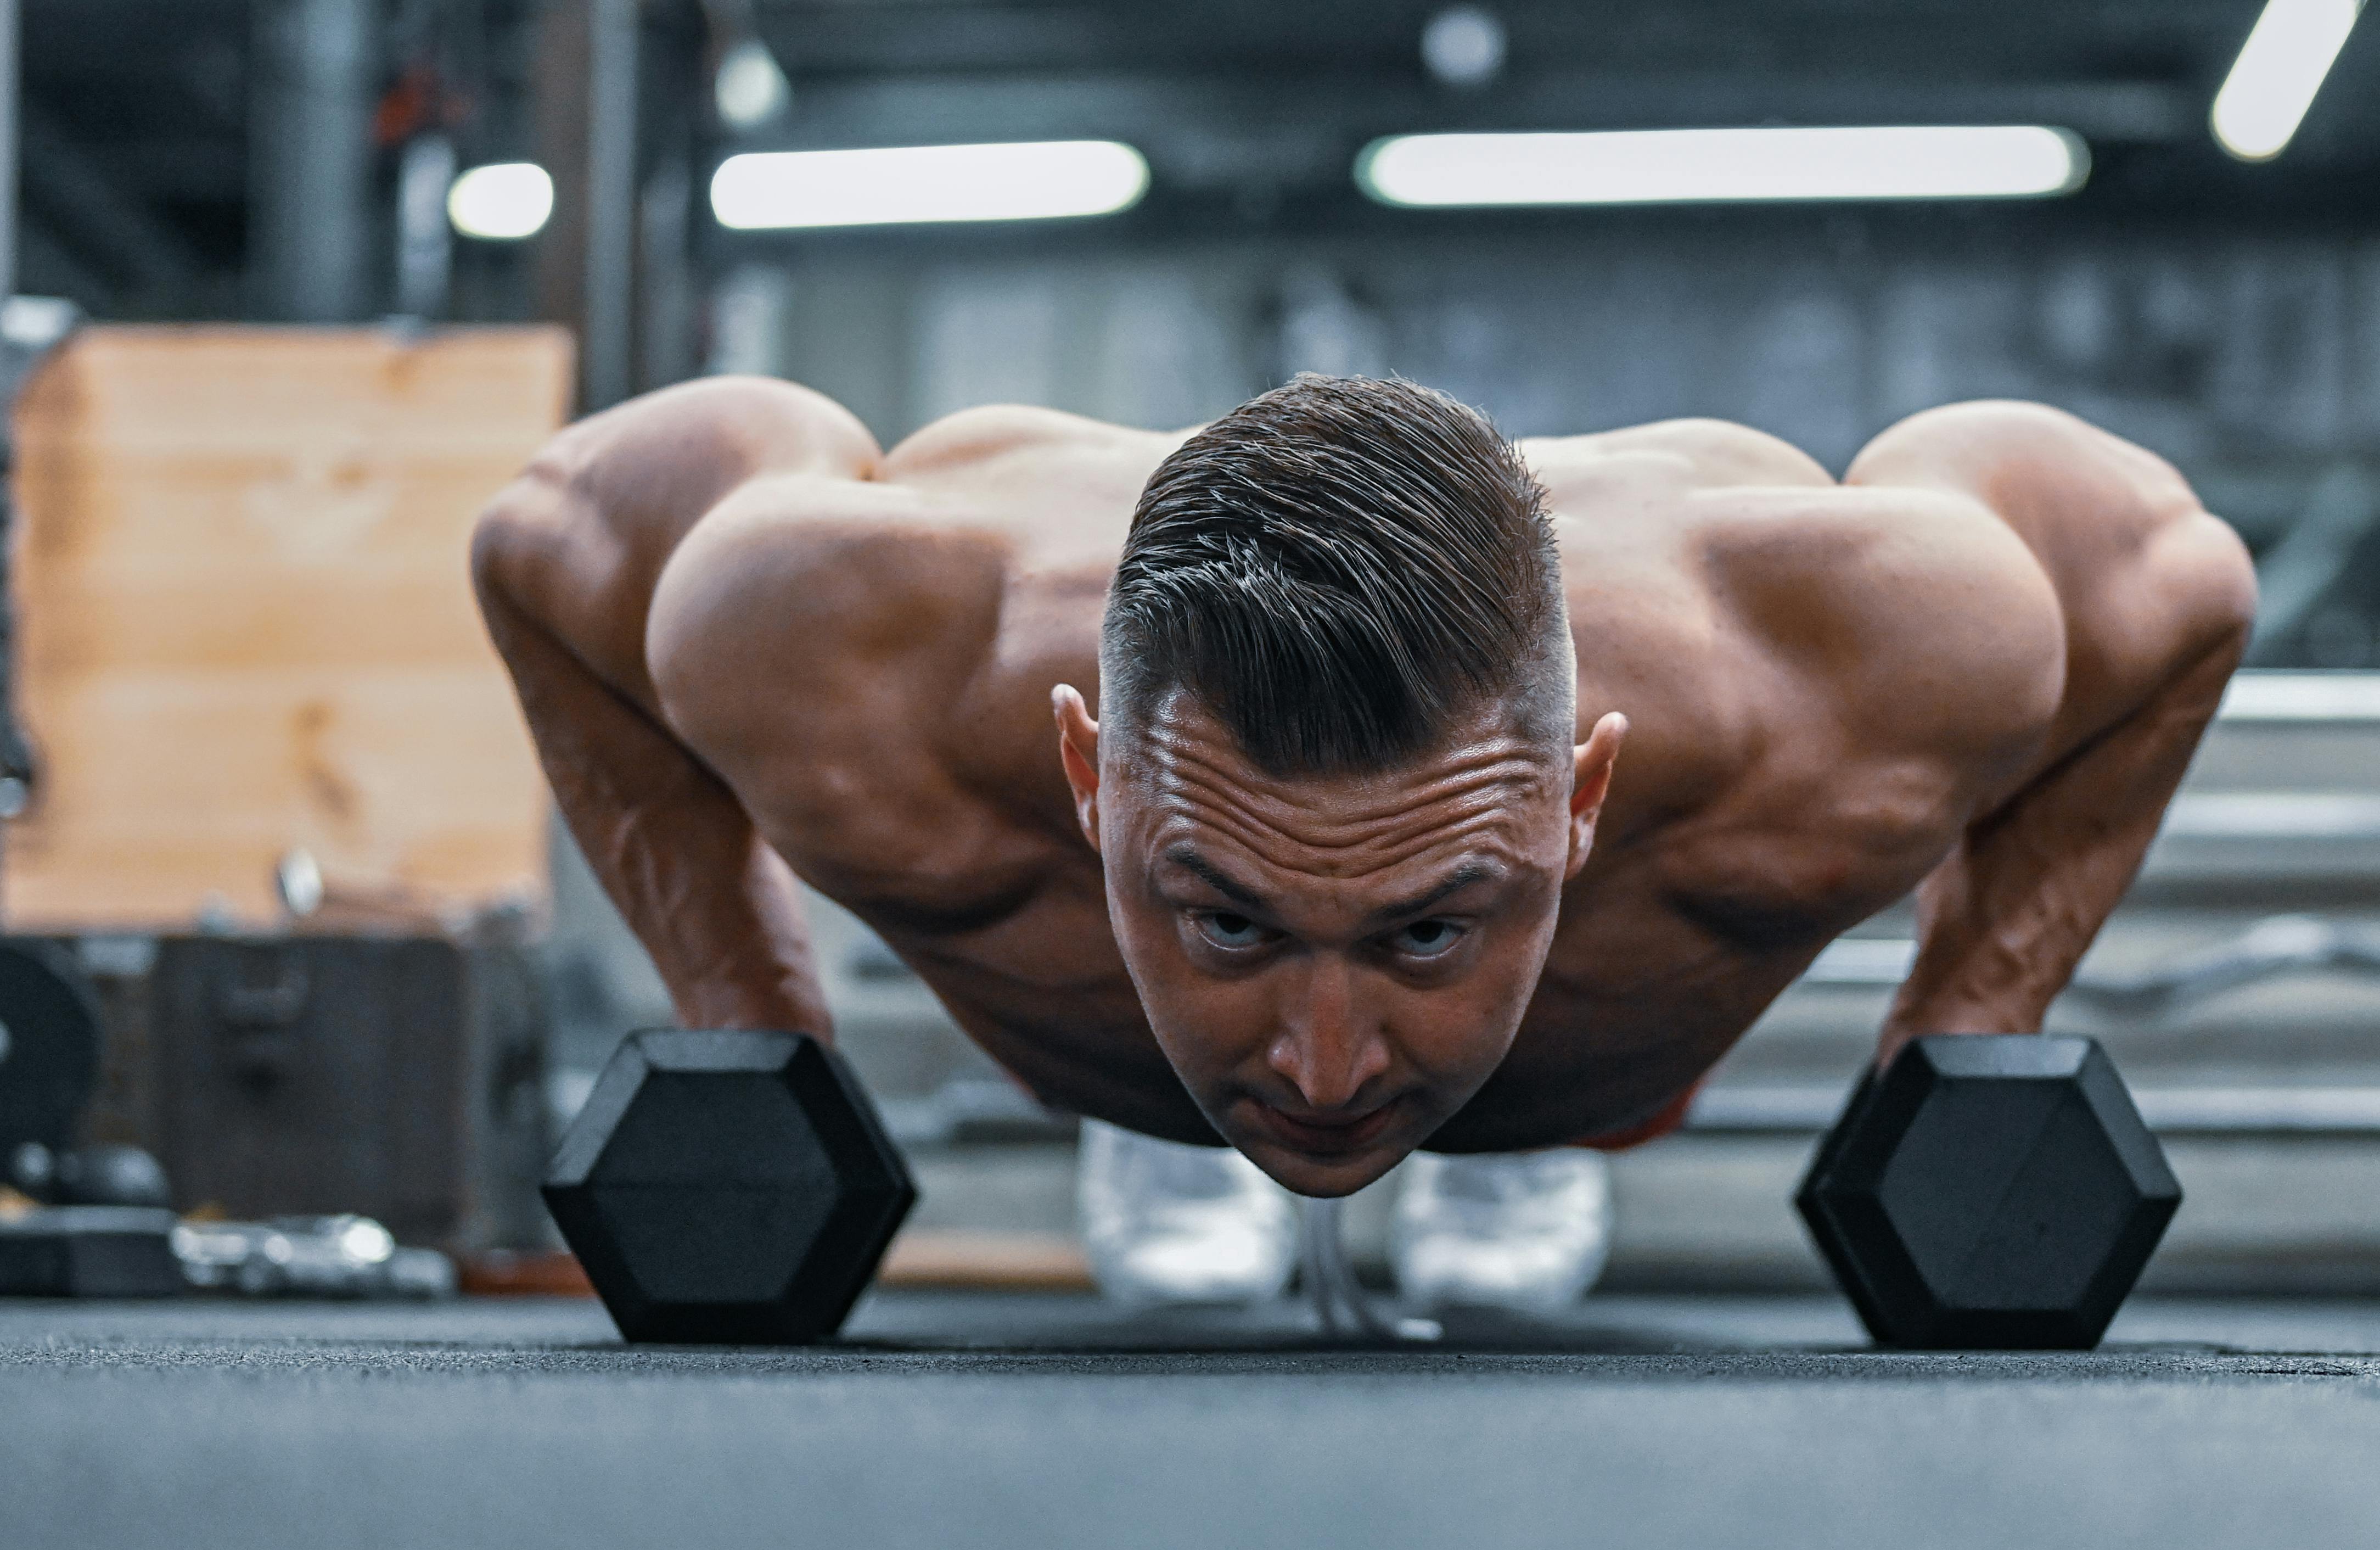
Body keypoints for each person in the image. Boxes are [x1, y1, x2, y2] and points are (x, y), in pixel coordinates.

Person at [473, 373, 2253, 1309]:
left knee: (1376, 1046)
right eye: (1228, 921)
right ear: (1092, 780)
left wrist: (1962, 1038)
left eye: (1424, 931)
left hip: (1599, 1049)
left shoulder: (1847, 666)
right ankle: (1179, 1121)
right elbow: (542, 538)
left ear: (1578, 805)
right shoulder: (858, 637)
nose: (1323, 1067)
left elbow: (2179, 587)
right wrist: (748, 1012)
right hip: (1096, 1008)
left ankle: (1505, 1131)